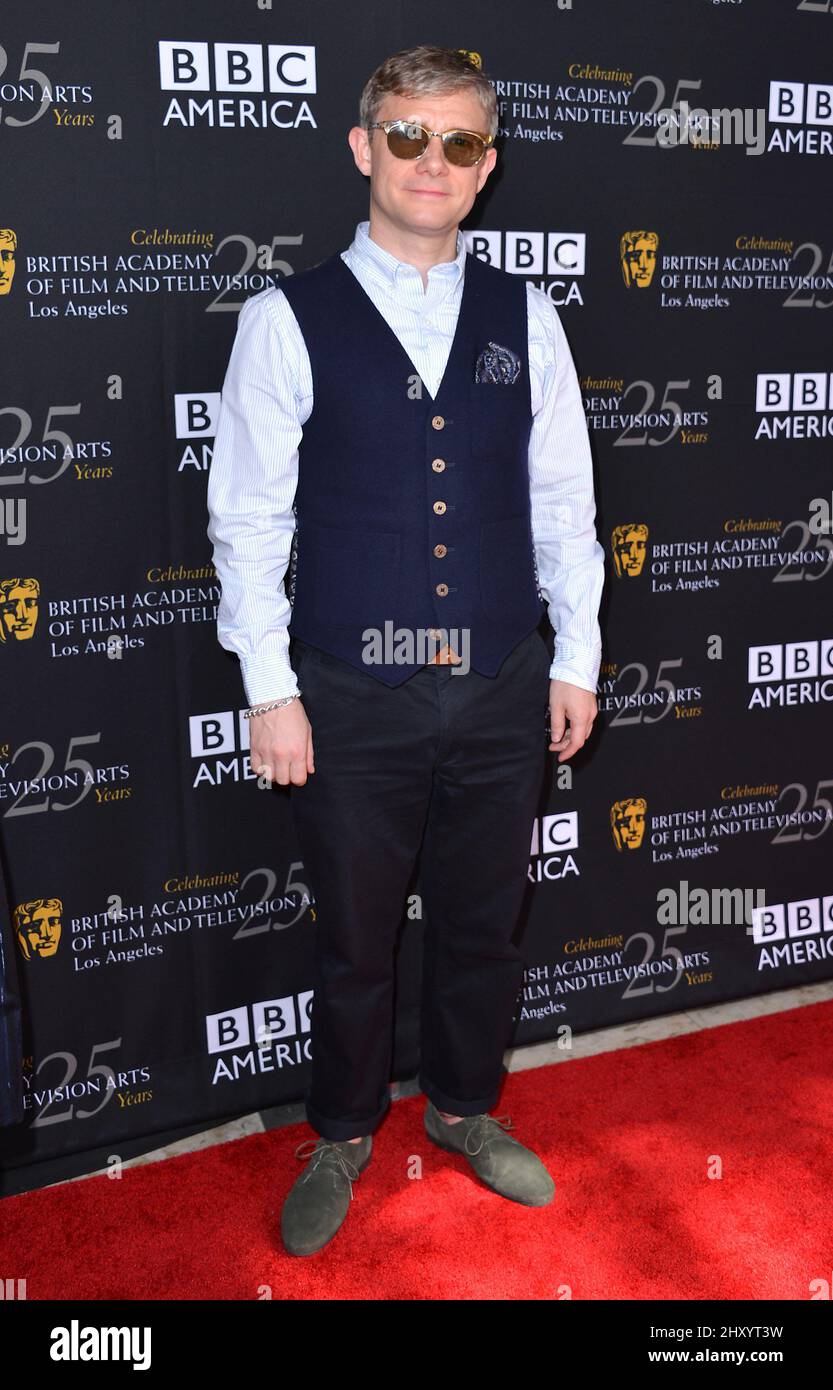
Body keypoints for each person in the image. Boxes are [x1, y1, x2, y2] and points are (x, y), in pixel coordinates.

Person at [206, 44, 605, 1258]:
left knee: (484, 922)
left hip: (496, 684)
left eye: (460, 142)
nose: (432, 161)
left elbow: (561, 505)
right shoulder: (285, 319)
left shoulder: (524, 314)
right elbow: (246, 521)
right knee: (353, 935)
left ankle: (464, 1108)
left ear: (485, 168)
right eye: (408, 135)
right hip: (348, 692)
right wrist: (269, 691)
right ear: (363, 147)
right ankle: (338, 1128)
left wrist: (574, 652)